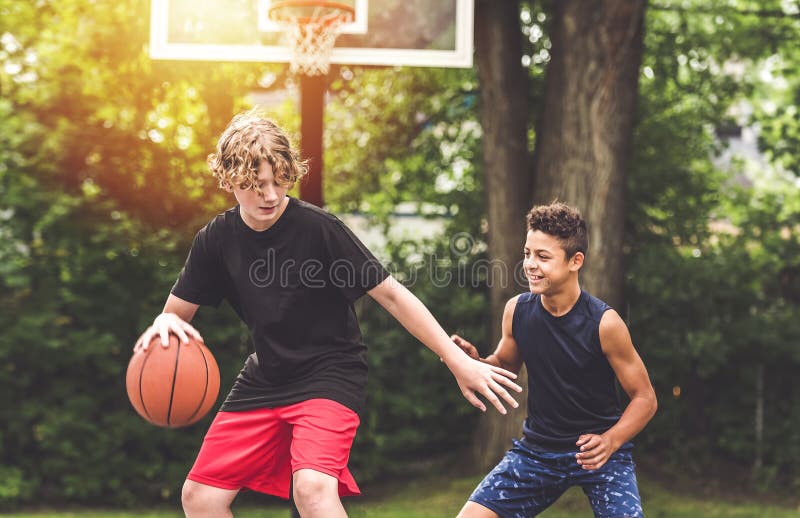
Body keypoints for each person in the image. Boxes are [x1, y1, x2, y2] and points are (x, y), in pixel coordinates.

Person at [133, 111, 522, 518]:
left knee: (313, 488)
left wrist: (455, 359)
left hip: (330, 371)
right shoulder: (216, 240)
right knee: (199, 497)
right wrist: (164, 321)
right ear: (229, 181)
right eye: (256, 184)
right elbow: (175, 315)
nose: (270, 194)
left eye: (280, 180)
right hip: (266, 376)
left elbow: (391, 295)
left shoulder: (319, 229)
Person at [453, 202, 657, 518]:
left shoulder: (605, 323)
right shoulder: (517, 311)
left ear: (576, 261)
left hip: (599, 455)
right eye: (527, 254)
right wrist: (476, 361)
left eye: (543, 257)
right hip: (538, 452)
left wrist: (611, 440)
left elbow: (645, 398)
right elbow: (505, 365)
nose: (530, 265)